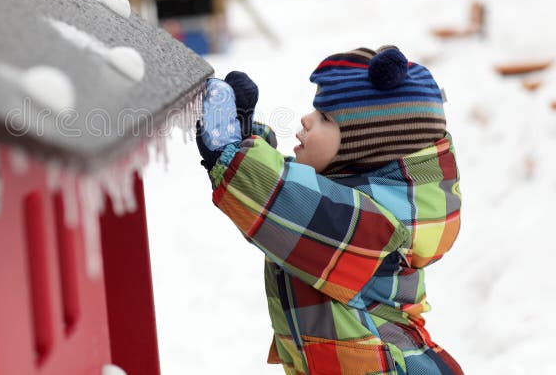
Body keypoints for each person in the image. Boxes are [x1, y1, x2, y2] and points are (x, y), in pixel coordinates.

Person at [196, 46, 462, 375]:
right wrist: (246, 136)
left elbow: (287, 201)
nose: (307, 120)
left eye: (325, 118)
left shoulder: (375, 223)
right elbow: (297, 190)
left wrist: (231, 153)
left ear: (366, 143)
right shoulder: (355, 200)